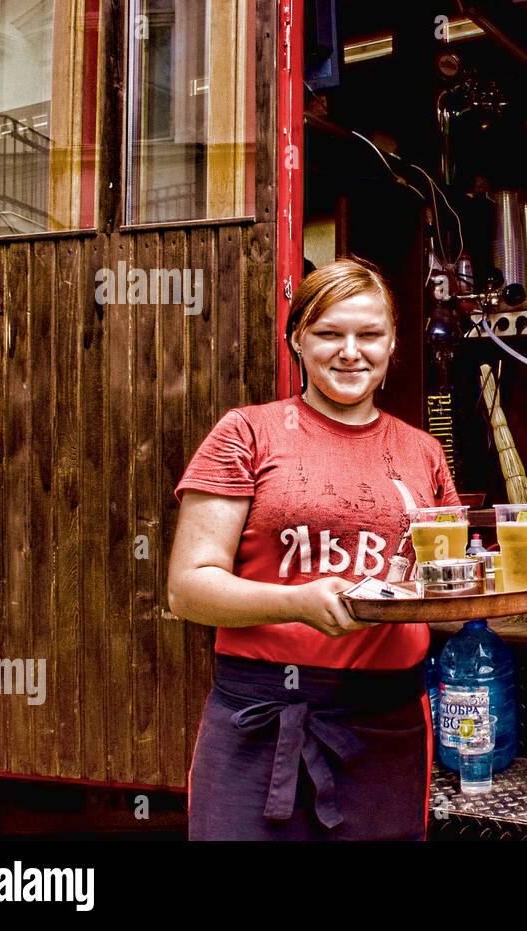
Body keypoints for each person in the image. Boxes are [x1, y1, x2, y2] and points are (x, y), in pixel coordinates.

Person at [168, 257, 460, 840]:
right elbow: (188, 589)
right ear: (296, 339)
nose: (351, 352)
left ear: (393, 342)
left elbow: (442, 575)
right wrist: (297, 603)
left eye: (369, 334)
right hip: (262, 716)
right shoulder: (246, 433)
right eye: (329, 334)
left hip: (387, 720)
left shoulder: (422, 452)